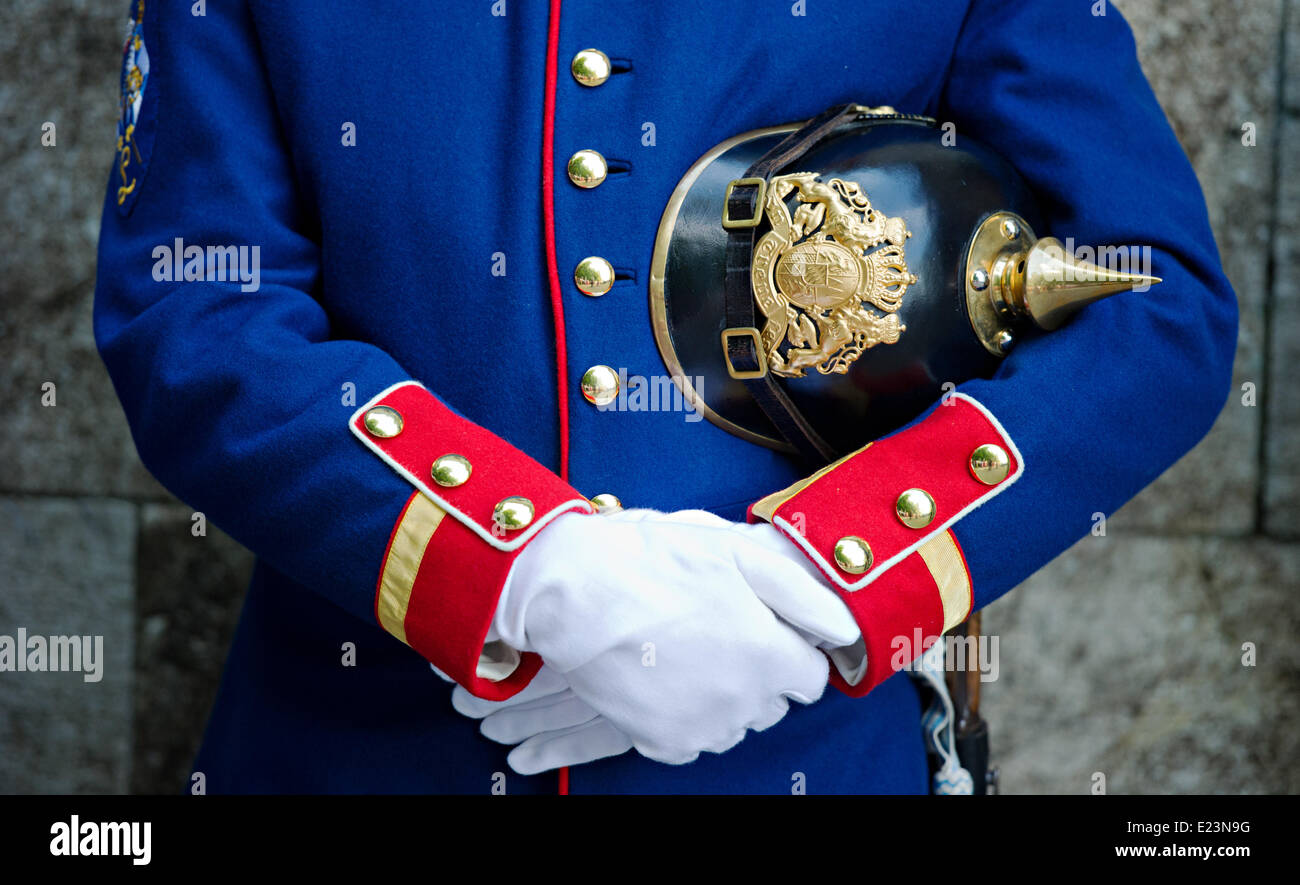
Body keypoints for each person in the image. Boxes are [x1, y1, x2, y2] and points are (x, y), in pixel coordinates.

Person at [94, 0, 1237, 794]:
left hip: (802, 749)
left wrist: (815, 583)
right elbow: (195, 310)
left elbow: (1149, 296)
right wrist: (521, 567)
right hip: (365, 752)